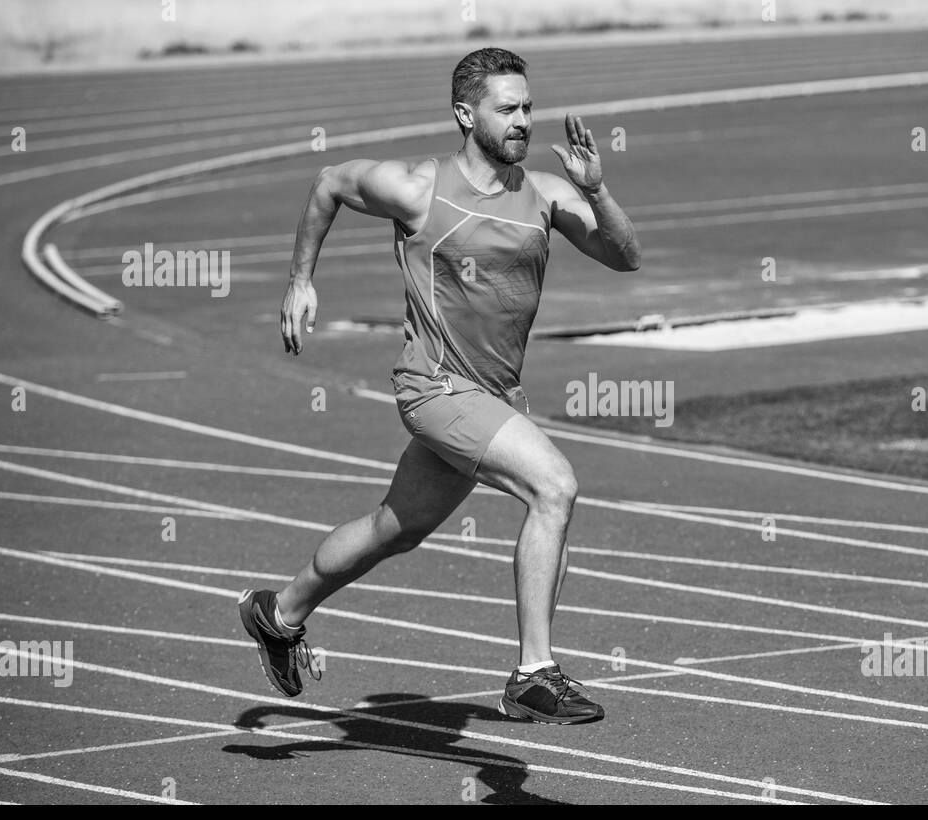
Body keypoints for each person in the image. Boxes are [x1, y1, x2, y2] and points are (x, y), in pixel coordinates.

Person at [239, 47, 640, 725]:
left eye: (528, 107)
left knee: (394, 528)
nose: (523, 120)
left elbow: (625, 257)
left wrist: (597, 189)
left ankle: (278, 613)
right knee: (554, 485)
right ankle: (533, 672)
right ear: (465, 113)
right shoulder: (419, 188)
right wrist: (301, 279)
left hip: (494, 397)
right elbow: (331, 180)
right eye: (507, 108)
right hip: (436, 388)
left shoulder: (545, 192)